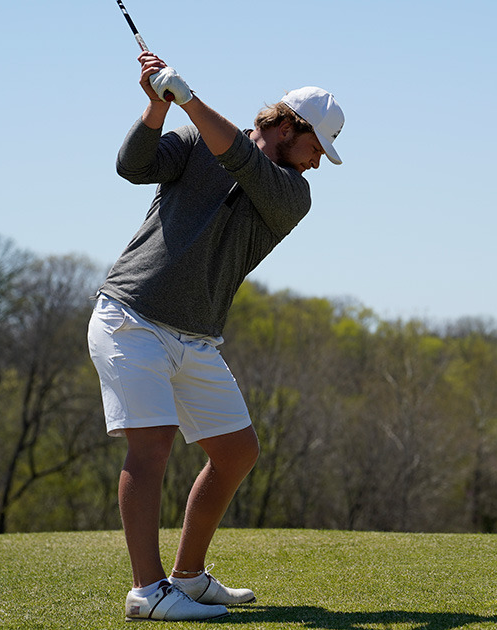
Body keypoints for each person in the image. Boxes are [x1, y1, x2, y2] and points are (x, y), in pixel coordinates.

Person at [87, 52, 344, 622]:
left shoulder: (291, 194)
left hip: (196, 335)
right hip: (132, 316)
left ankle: (189, 577)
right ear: (286, 127)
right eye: (315, 148)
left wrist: (190, 98)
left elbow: (244, 163)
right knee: (151, 447)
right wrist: (158, 107)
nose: (319, 163)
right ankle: (148, 593)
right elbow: (133, 165)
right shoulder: (193, 138)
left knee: (237, 452)